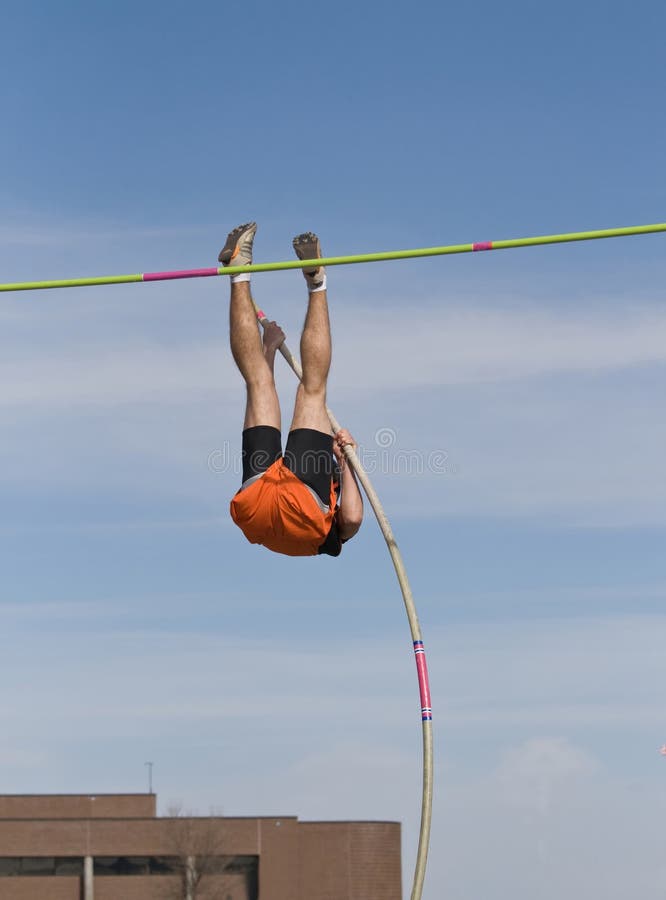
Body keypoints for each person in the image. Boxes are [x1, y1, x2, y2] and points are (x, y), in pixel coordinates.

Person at [220, 222, 364, 557]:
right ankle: (238, 273)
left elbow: (353, 519)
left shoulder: (330, 528)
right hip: (256, 509)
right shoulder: (319, 543)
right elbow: (350, 519)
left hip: (304, 509)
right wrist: (268, 349)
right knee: (258, 382)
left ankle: (317, 283)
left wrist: (347, 463)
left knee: (313, 389)